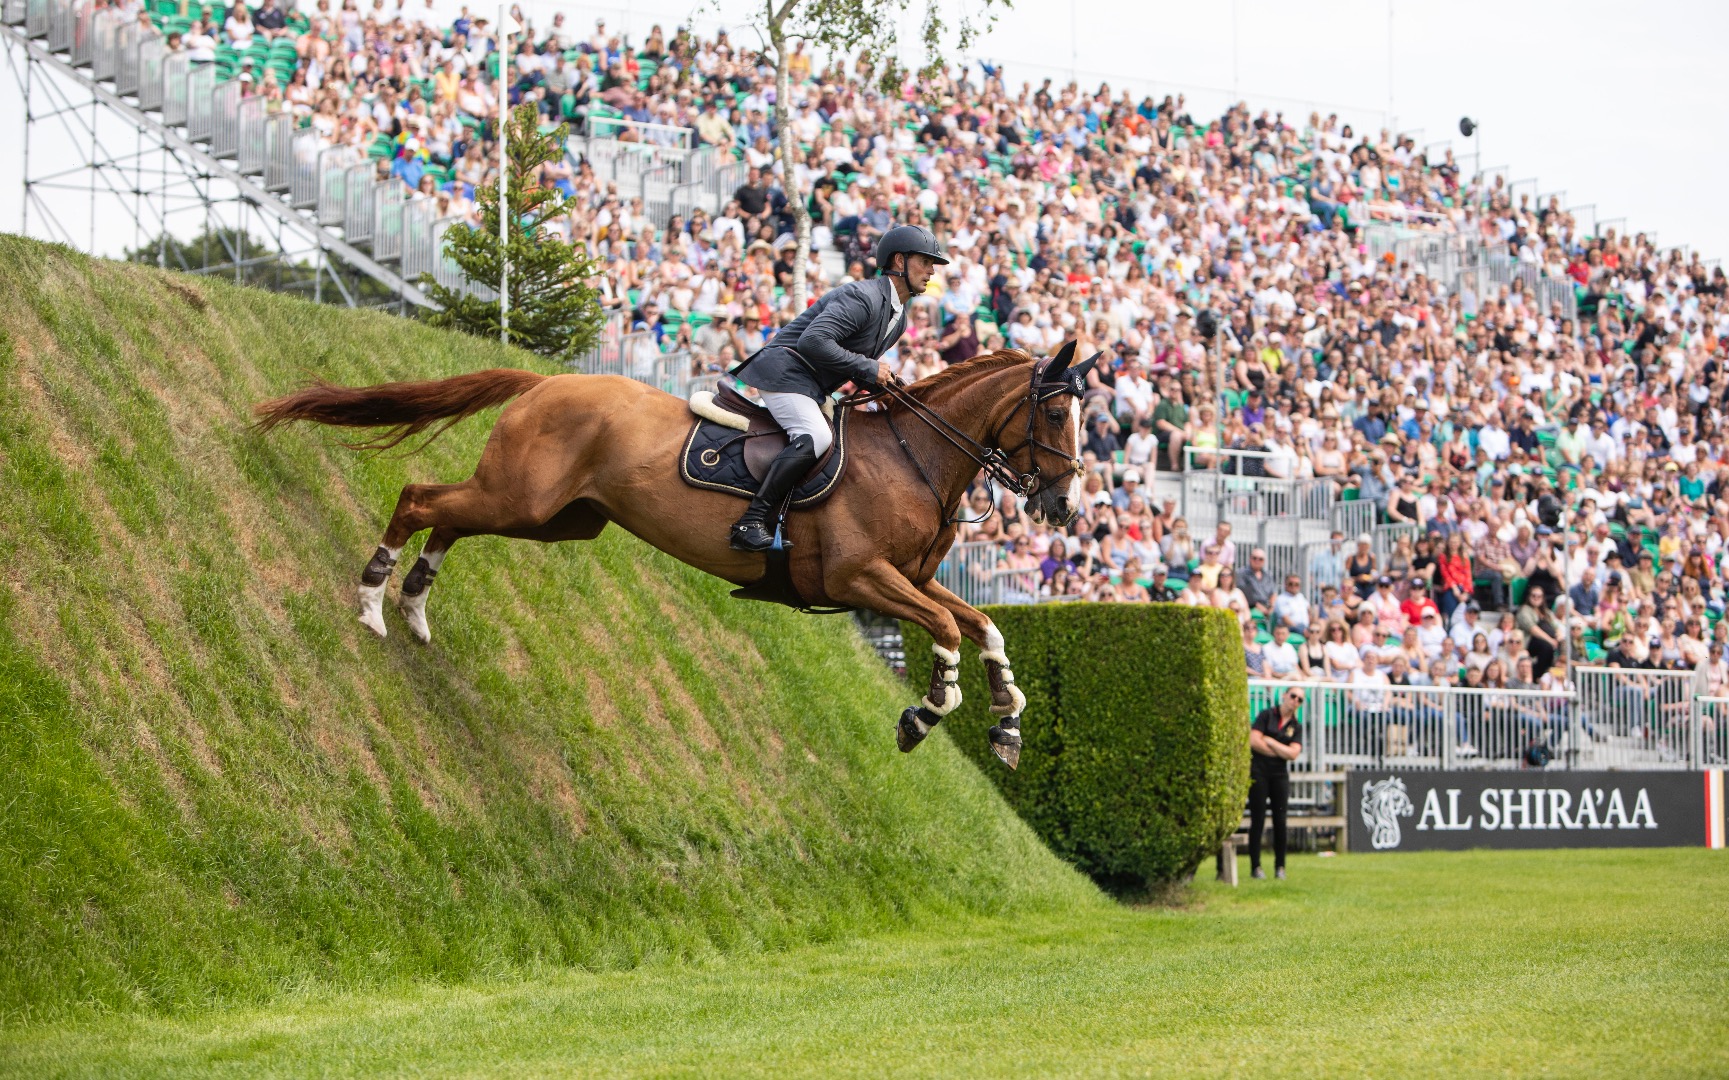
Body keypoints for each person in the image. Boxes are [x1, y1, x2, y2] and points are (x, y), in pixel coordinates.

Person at [727, 225, 947, 550]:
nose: (931, 271)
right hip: (785, 371)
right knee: (817, 436)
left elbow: (851, 363)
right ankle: (750, 522)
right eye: (925, 261)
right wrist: (869, 368)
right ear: (899, 260)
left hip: (810, 384)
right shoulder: (863, 296)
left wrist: (891, 389)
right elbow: (814, 341)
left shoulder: (898, 318)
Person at [1248, 686, 1305, 880]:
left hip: (1279, 775)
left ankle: (1280, 867)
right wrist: (1281, 751)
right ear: (1284, 696)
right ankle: (1255, 867)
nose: (1295, 701)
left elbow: (1293, 753)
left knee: (1280, 821)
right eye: (1293, 696)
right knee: (1258, 819)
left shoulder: (1296, 726)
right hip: (1259, 771)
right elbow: (1254, 740)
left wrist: (1271, 742)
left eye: (1300, 699)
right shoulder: (1266, 715)